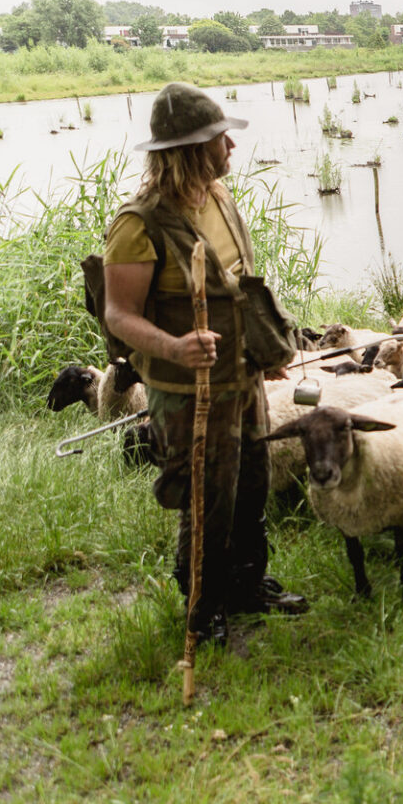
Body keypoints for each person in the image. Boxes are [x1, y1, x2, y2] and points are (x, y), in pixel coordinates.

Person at [102, 82, 307, 647]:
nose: (230, 148)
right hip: (187, 388)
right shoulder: (138, 223)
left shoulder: (219, 198)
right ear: (193, 148)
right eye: (221, 139)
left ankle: (246, 583)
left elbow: (238, 288)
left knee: (252, 483)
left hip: (241, 377)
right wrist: (173, 348)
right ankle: (202, 602)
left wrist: (266, 351)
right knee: (205, 493)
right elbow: (119, 314)